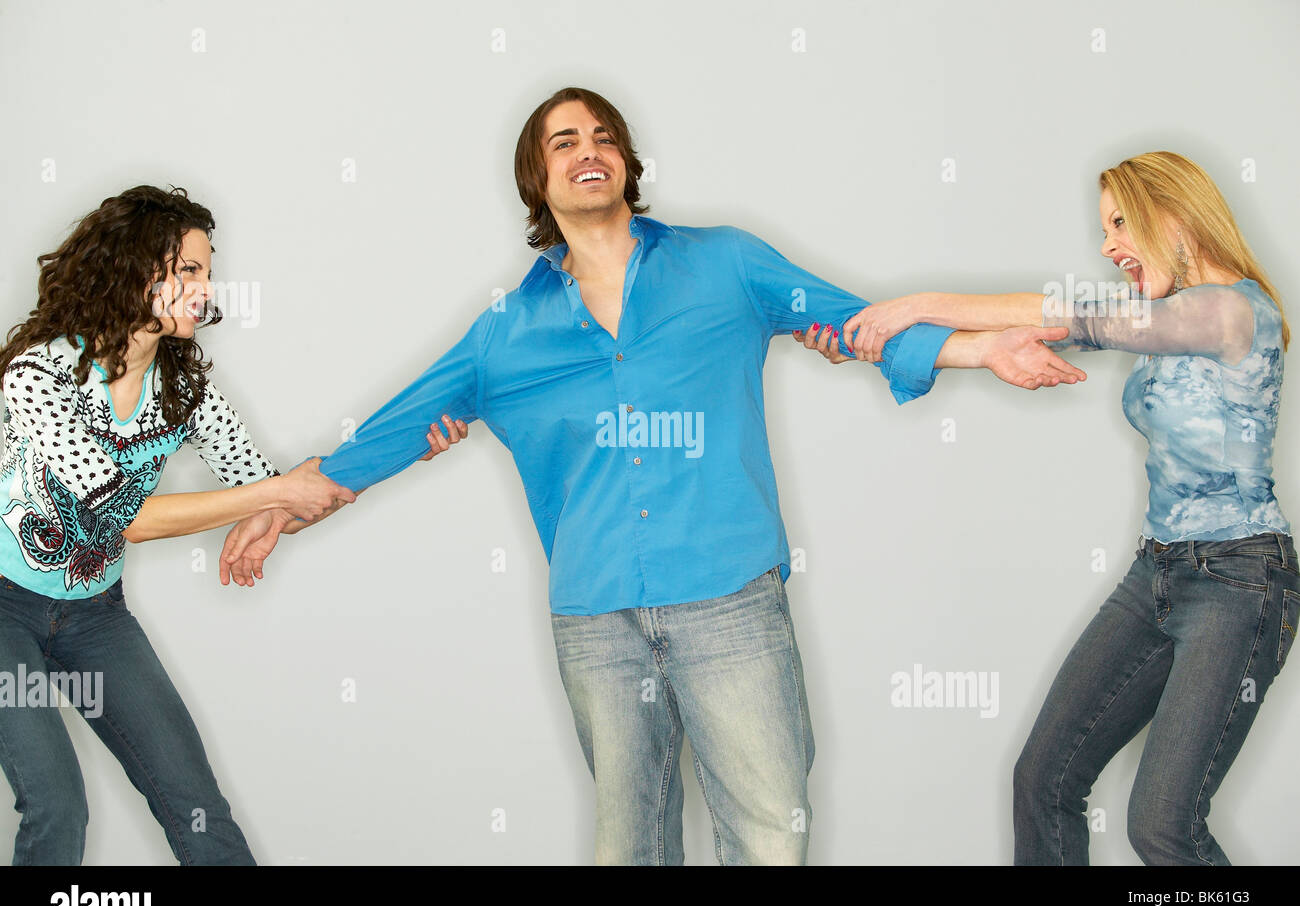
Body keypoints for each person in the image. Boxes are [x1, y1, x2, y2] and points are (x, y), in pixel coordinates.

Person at [220, 88, 1083, 865]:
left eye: (603, 136)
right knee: (629, 845)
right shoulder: (505, 332)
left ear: (628, 164)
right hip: (596, 616)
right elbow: (393, 430)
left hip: (730, 598)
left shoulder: (728, 265)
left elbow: (858, 324)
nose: (587, 148)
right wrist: (276, 505)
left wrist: (980, 347)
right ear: (537, 180)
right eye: (562, 142)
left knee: (772, 837)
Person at [800, 150, 1298, 865]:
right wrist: (876, 344)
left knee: (1162, 825)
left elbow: (1064, 315)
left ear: (1177, 212)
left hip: (1240, 580)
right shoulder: (1165, 320)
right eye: (1105, 229)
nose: (1108, 246)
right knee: (1044, 778)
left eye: (1122, 222)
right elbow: (1024, 335)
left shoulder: (1230, 310)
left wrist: (915, 303)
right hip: (1158, 574)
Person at [0, 184, 455, 865]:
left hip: (94, 614)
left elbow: (276, 503)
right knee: (58, 804)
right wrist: (274, 492)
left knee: (197, 808)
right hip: (5, 610)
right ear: (134, 265)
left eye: (208, 271)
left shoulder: (185, 392)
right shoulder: (42, 374)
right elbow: (125, 518)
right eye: (189, 269)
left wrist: (403, 449)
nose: (206, 288)